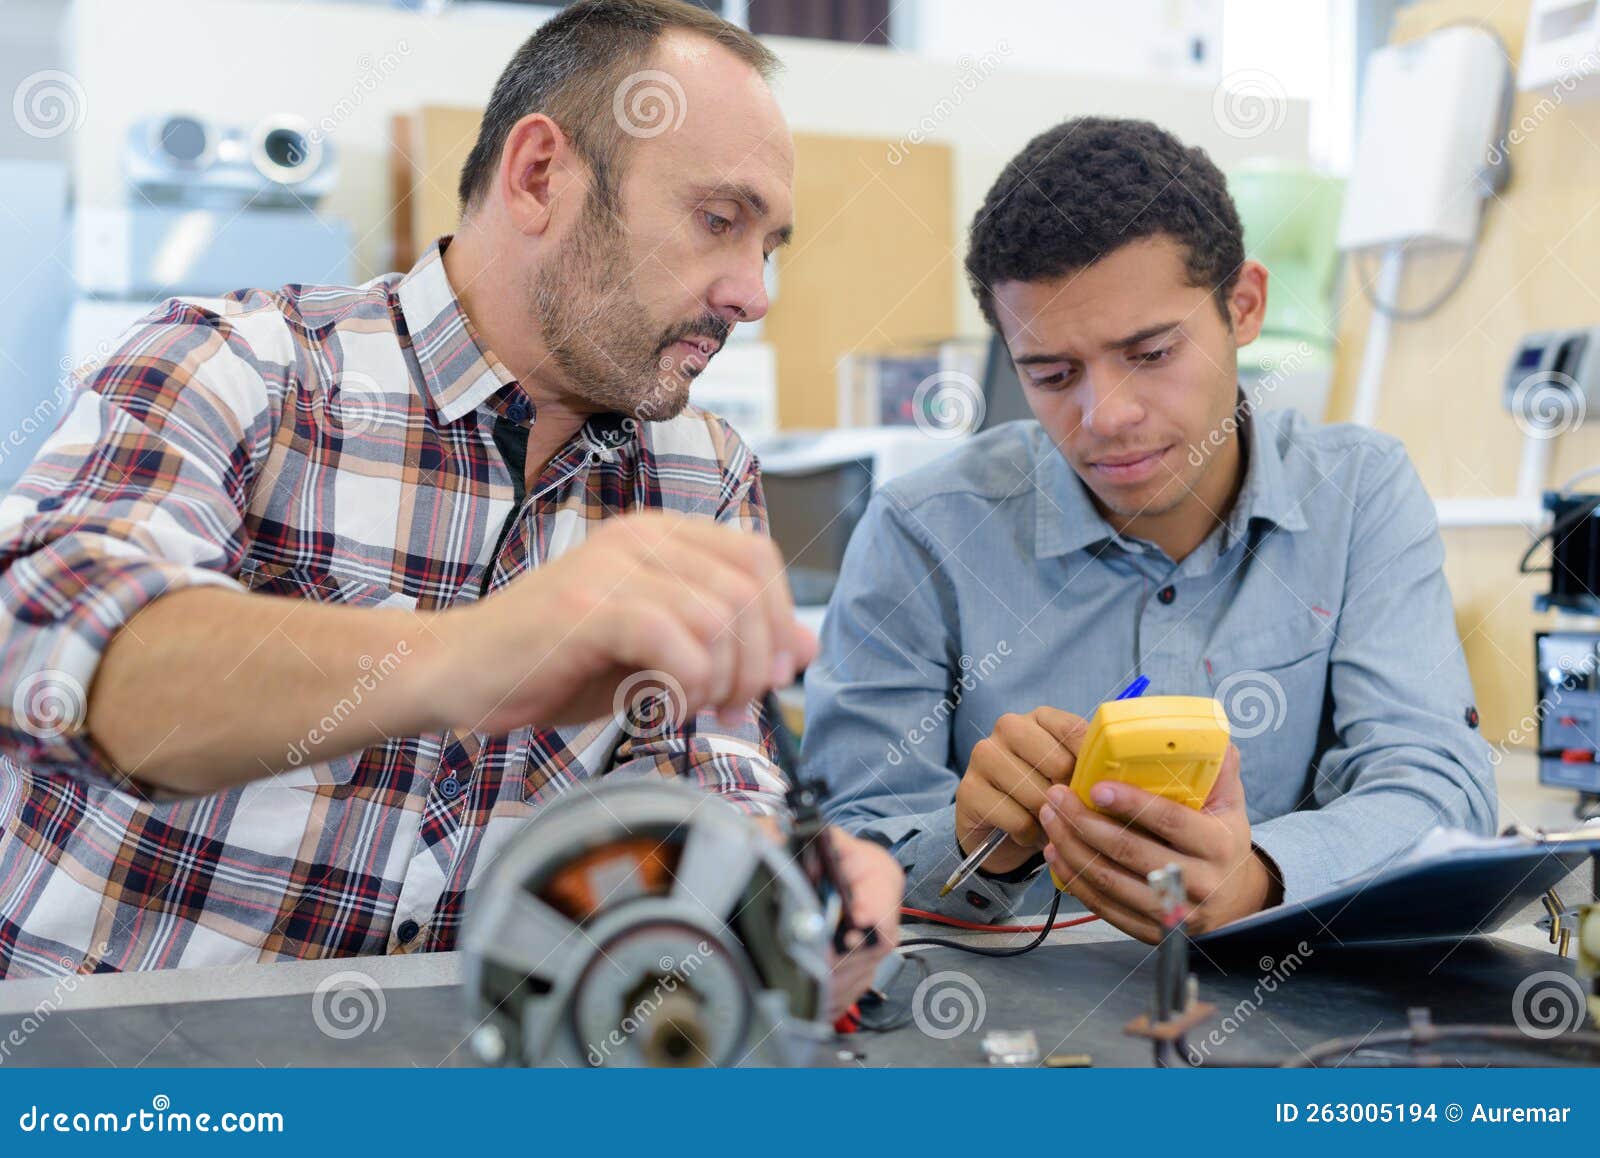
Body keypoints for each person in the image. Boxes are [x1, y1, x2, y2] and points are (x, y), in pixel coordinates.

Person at [0, 0, 900, 1004]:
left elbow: (706, 785)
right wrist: (467, 657)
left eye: (767, 246)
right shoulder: (241, 368)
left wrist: (780, 888)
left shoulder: (704, 473)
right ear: (540, 176)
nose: (752, 293)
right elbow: (41, 652)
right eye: (718, 221)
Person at [807, 117, 1493, 942]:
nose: (1107, 415)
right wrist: (970, 844)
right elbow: (839, 854)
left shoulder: (1358, 495)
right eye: (1052, 374)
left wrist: (1260, 880)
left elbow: (1441, 790)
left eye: (1152, 353)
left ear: (1244, 306)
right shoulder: (921, 533)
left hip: (1286, 1008)